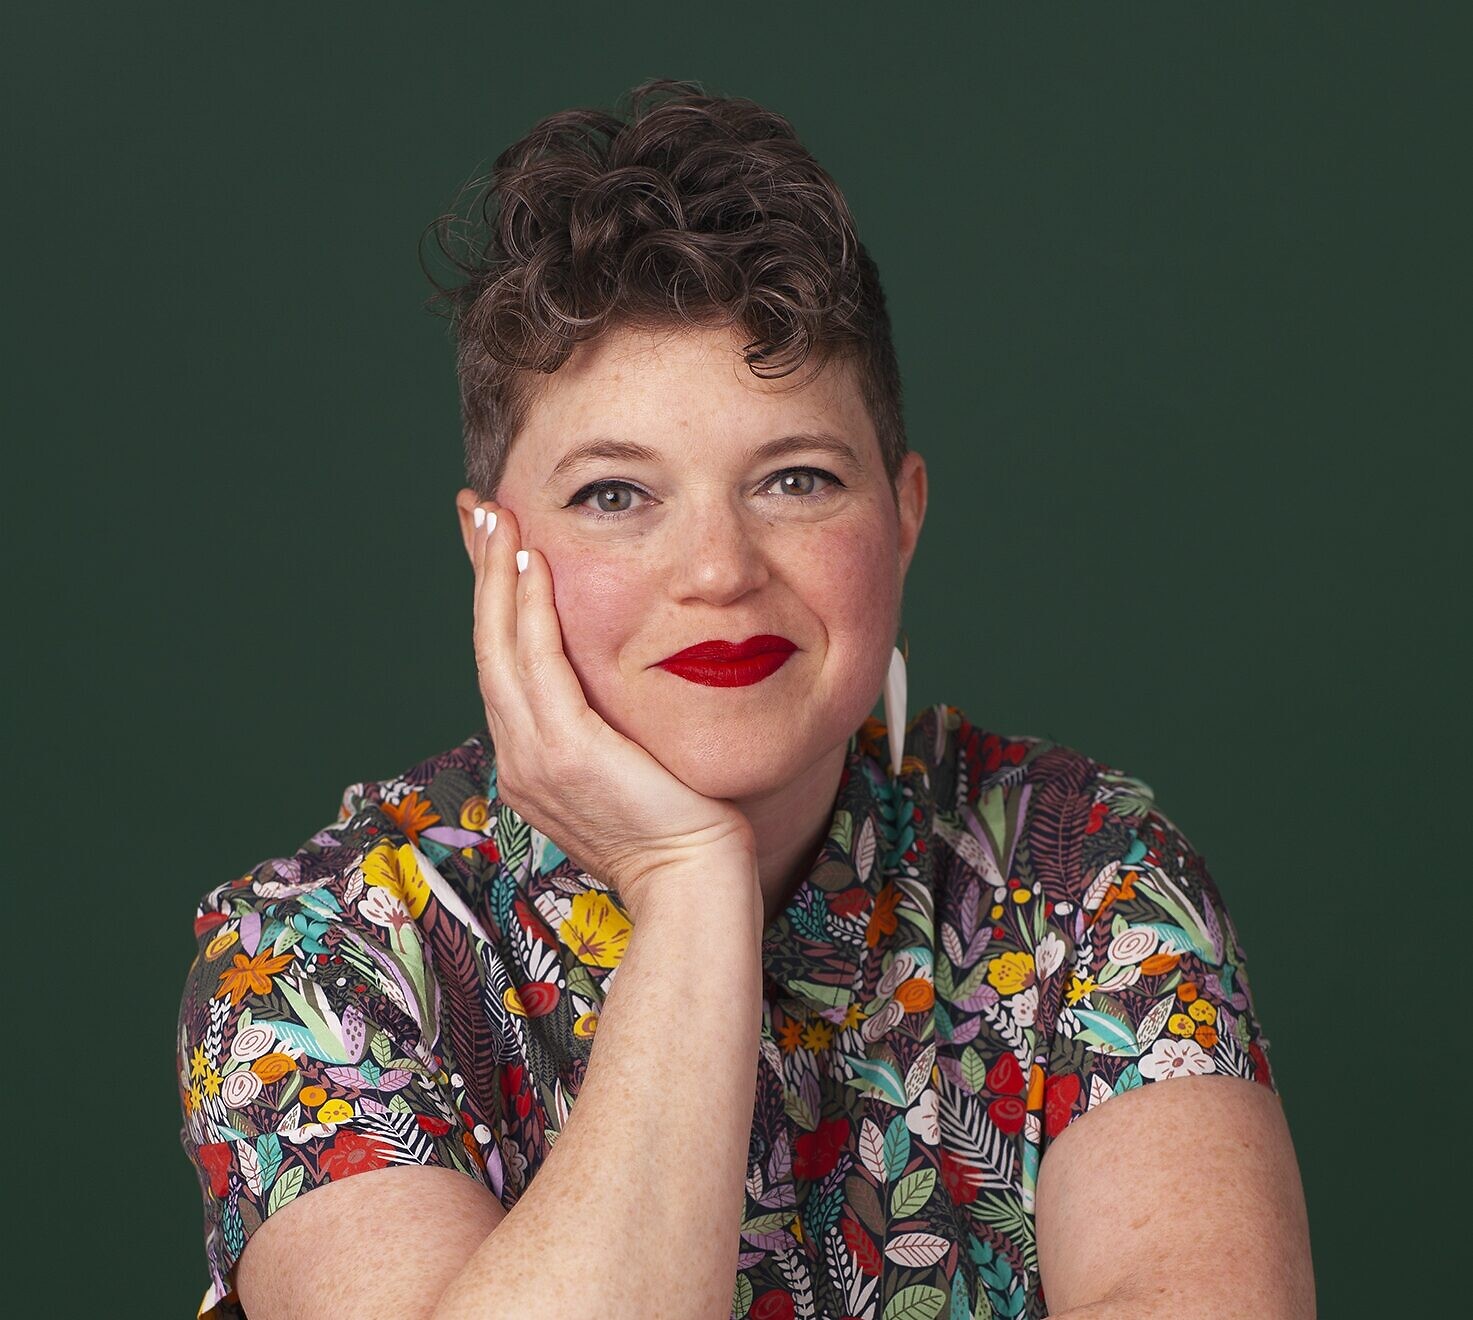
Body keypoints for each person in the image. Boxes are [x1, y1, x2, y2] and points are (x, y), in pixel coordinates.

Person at [174, 78, 1314, 1320]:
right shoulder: (320, 961)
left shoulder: (1084, 877)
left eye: (797, 479)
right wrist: (687, 885)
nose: (719, 571)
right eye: (615, 494)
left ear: (903, 517)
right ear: (489, 547)